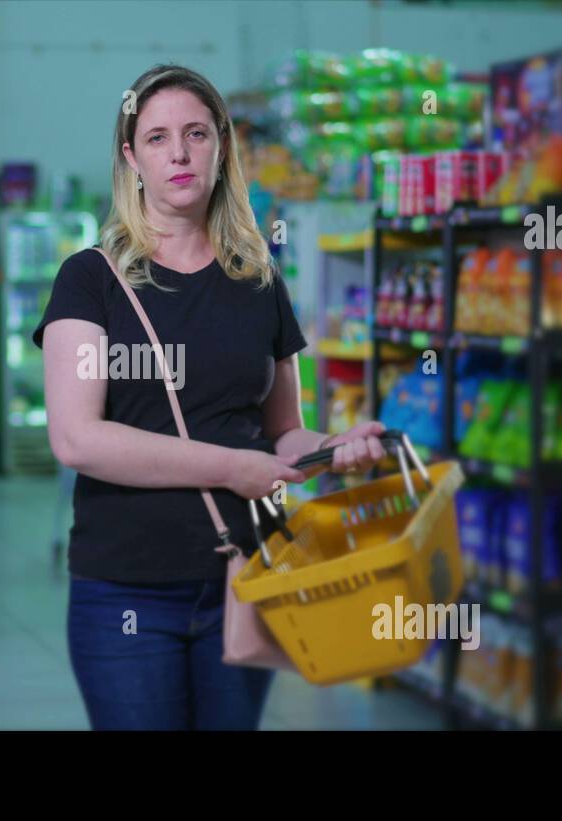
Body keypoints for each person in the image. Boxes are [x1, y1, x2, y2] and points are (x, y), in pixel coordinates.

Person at [31, 64, 388, 731]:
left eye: (197, 133)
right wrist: (230, 467)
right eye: (159, 137)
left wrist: (332, 449)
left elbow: (284, 432)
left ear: (222, 147)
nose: (180, 152)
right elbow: (76, 438)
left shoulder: (257, 280)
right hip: (126, 593)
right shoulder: (89, 281)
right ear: (131, 157)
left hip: (244, 579)